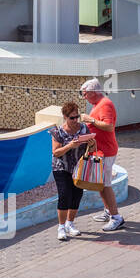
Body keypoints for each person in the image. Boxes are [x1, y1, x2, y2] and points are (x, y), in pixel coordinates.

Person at [80, 78, 124, 231]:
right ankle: (108, 211)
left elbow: (109, 126)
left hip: (106, 150)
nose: (84, 97)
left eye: (85, 94)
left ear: (93, 92)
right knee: (100, 183)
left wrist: (89, 119)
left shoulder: (105, 104)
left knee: (105, 185)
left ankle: (116, 217)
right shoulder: (97, 104)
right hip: (100, 150)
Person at [48, 102, 95, 241]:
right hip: (61, 167)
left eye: (77, 117)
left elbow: (90, 150)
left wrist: (91, 144)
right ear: (65, 117)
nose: (75, 120)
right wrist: (71, 145)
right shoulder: (58, 132)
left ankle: (70, 223)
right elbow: (56, 152)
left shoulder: (84, 128)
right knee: (64, 195)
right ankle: (61, 227)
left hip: (78, 167)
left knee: (77, 194)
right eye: (72, 118)